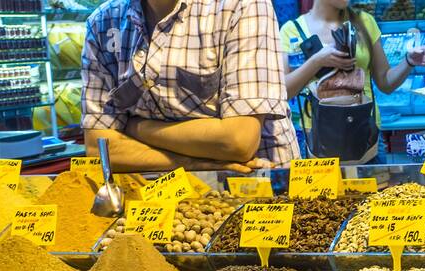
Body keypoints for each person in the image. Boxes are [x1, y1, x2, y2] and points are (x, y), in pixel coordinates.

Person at [81, 0, 300, 172]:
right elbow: (99, 149)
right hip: (158, 195)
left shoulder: (240, 5)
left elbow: (239, 141)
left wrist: (135, 127)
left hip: (256, 185)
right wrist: (192, 163)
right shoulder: (102, 22)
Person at [281, 0, 425, 162]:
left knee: (375, 179)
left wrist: (409, 61)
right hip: (318, 138)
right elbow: (284, 91)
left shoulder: (364, 21)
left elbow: (386, 83)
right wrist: (317, 61)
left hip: (365, 134)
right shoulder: (292, 30)